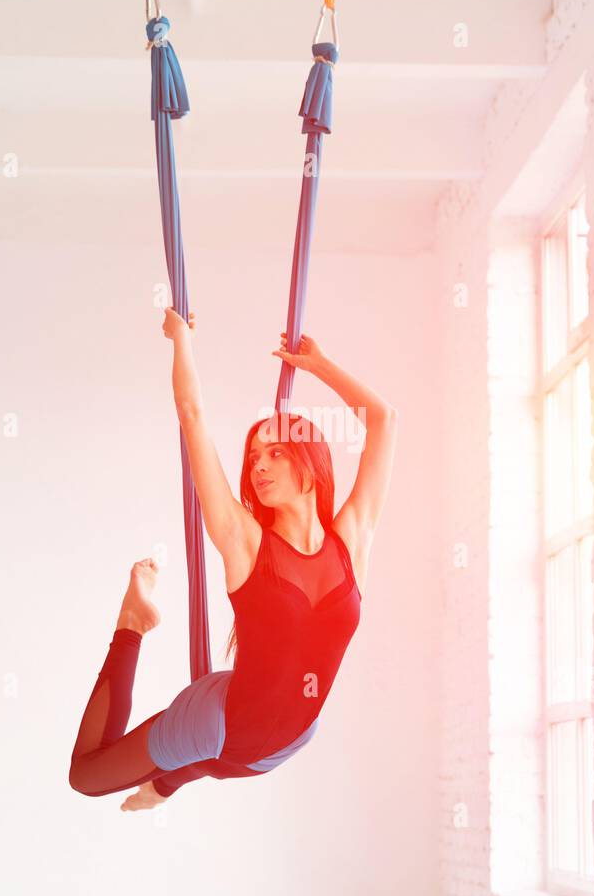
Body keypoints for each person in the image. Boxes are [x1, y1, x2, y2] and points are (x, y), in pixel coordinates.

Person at [68, 306, 397, 811]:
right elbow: (192, 416)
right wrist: (181, 340)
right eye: (254, 459)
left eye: (275, 453)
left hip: (287, 743)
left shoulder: (350, 541)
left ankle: (163, 784)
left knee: (217, 763)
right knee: (87, 777)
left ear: (311, 462)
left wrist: (319, 365)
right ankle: (132, 622)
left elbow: (384, 420)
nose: (259, 466)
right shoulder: (246, 543)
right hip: (221, 726)